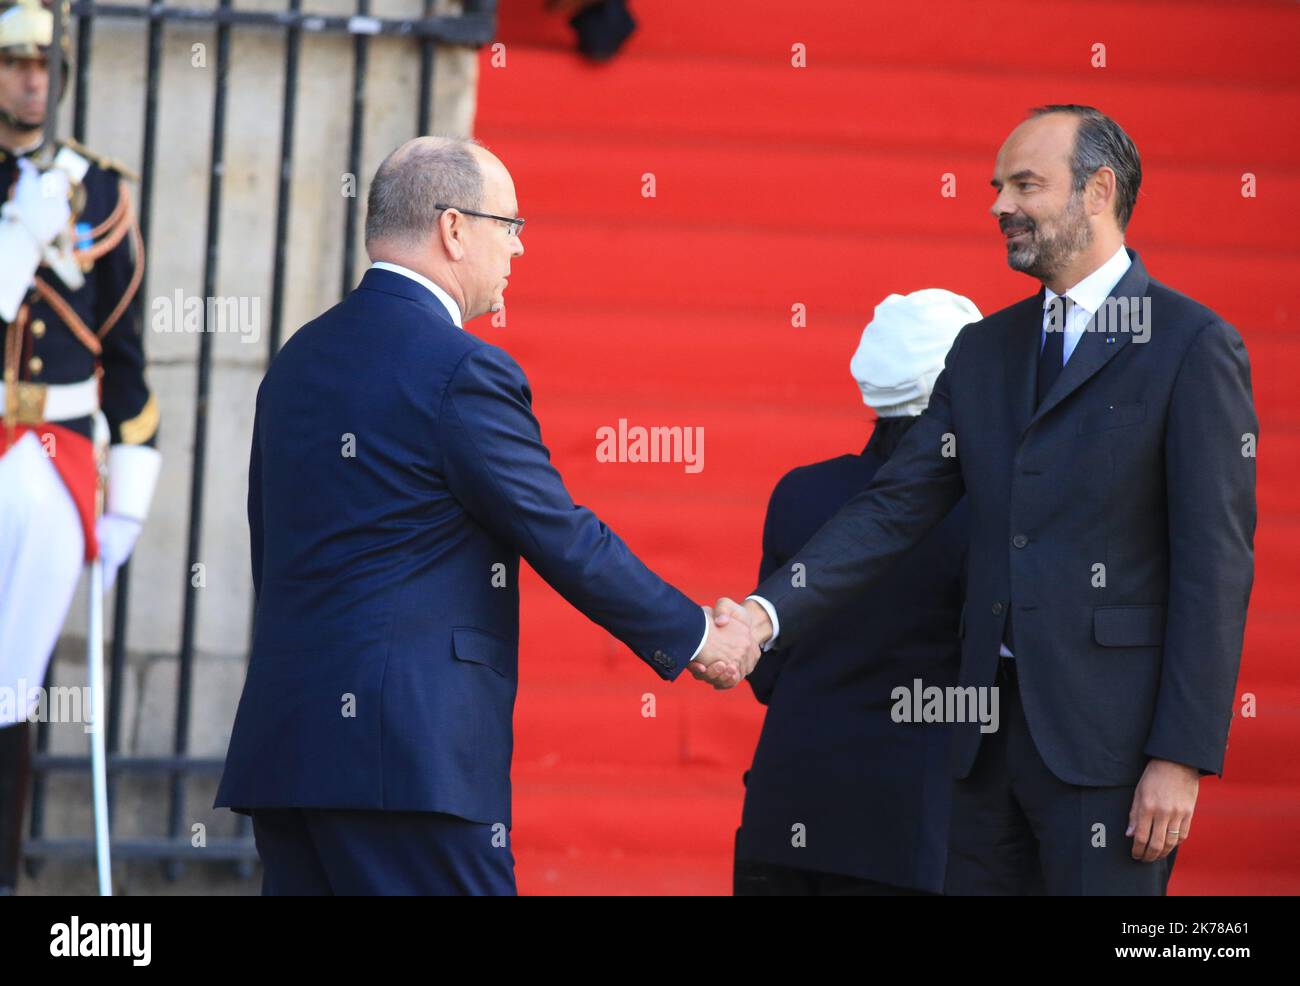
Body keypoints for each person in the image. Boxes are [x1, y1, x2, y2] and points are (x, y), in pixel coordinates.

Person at [715, 105, 1257, 895]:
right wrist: (765, 618)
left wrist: (1181, 756)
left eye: (1025, 184)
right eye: (997, 185)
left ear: (1098, 191)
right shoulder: (983, 349)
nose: (999, 204)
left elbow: (1216, 565)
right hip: (979, 747)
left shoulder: (1190, 344)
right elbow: (892, 507)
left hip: (1109, 753)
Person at [213, 136, 756, 896]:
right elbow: (558, 531)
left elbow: (271, 547)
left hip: (289, 751)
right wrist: (697, 634)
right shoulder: (461, 368)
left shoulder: (299, 358)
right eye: (512, 226)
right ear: (454, 229)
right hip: (405, 762)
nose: (519, 251)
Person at [734, 289, 974, 896]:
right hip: (910, 835)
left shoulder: (801, 492)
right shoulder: (986, 513)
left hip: (783, 809)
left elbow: (767, 674)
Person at [0, 0, 159, 895]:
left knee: (13, 684)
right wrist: (22, 229)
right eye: (14, 61)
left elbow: (126, 350)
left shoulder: (99, 187)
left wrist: (129, 489)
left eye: (42, 62)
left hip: (56, 453)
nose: (31, 78)